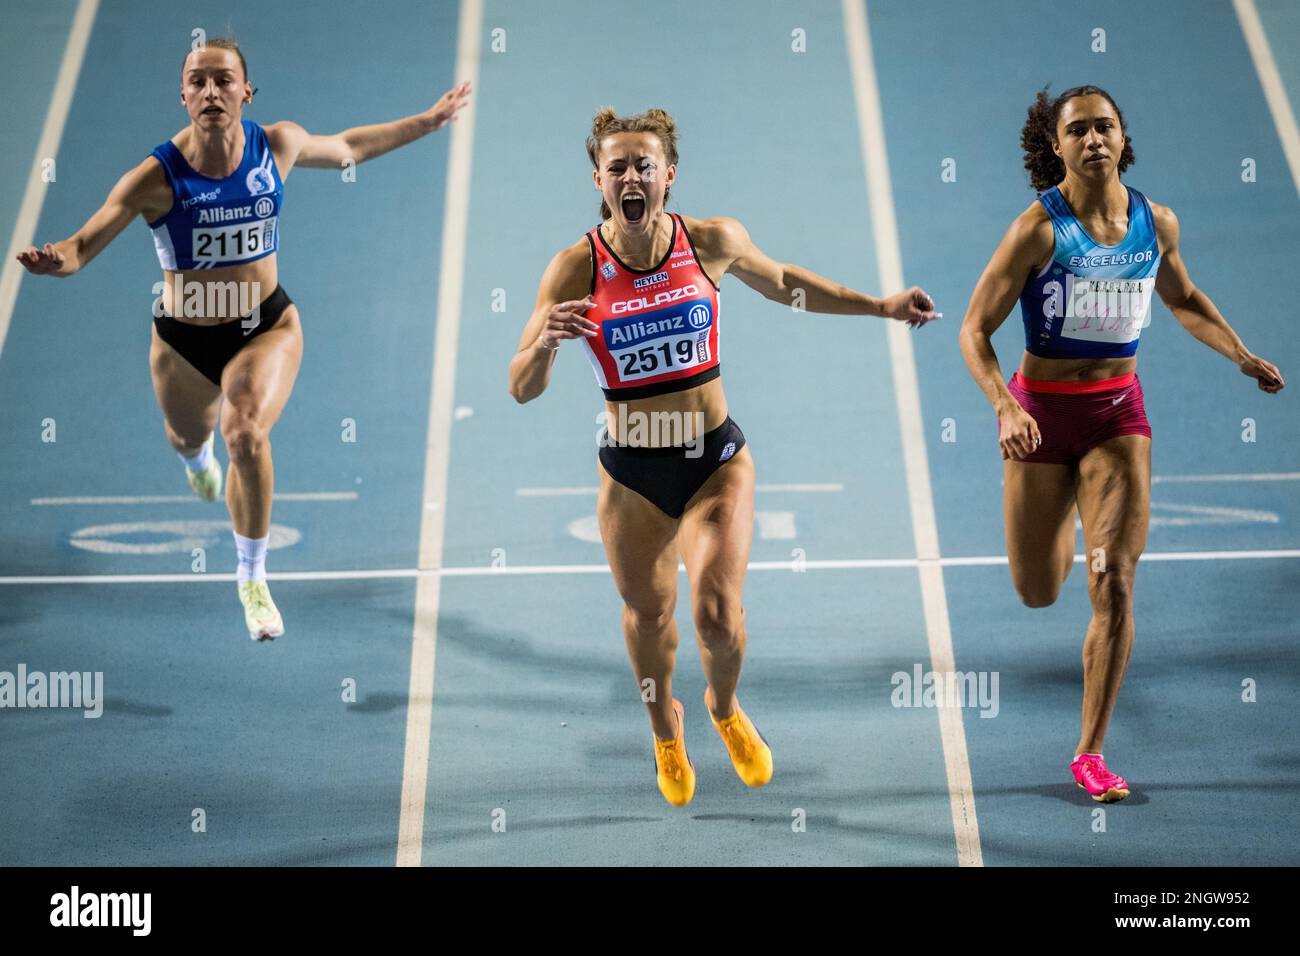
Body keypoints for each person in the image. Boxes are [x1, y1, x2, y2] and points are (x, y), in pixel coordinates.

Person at [509, 106, 940, 806]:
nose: (631, 175)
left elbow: (790, 285)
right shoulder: (574, 268)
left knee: (716, 615)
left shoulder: (711, 241)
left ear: (668, 175)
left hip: (713, 460)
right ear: (598, 180)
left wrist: (881, 306)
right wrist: (546, 343)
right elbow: (520, 387)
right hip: (632, 473)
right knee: (649, 615)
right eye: (617, 166)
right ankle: (665, 730)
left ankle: (724, 706)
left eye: (643, 163)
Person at [16, 37, 471, 640]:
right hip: (184, 342)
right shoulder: (154, 178)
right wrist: (55, 260)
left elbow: (349, 147)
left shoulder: (275, 145)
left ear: (246, 91)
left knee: (246, 432)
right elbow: (80, 246)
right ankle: (193, 459)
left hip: (265, 328)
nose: (211, 91)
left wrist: (430, 120)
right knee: (190, 433)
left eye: (223, 80)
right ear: (182, 97)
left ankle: (252, 576)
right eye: (198, 82)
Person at [959, 85, 1285, 802]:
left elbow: (1183, 299)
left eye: (1105, 126)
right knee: (1039, 590)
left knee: (1114, 582)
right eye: (1078, 130)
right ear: (1057, 147)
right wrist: (1005, 410)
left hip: (1116, 417)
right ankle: (1067, 519)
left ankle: (1090, 753)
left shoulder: (1155, 222)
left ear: (1122, 136)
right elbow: (973, 330)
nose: (1094, 140)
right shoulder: (1037, 232)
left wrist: (1240, 354)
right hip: (1041, 418)